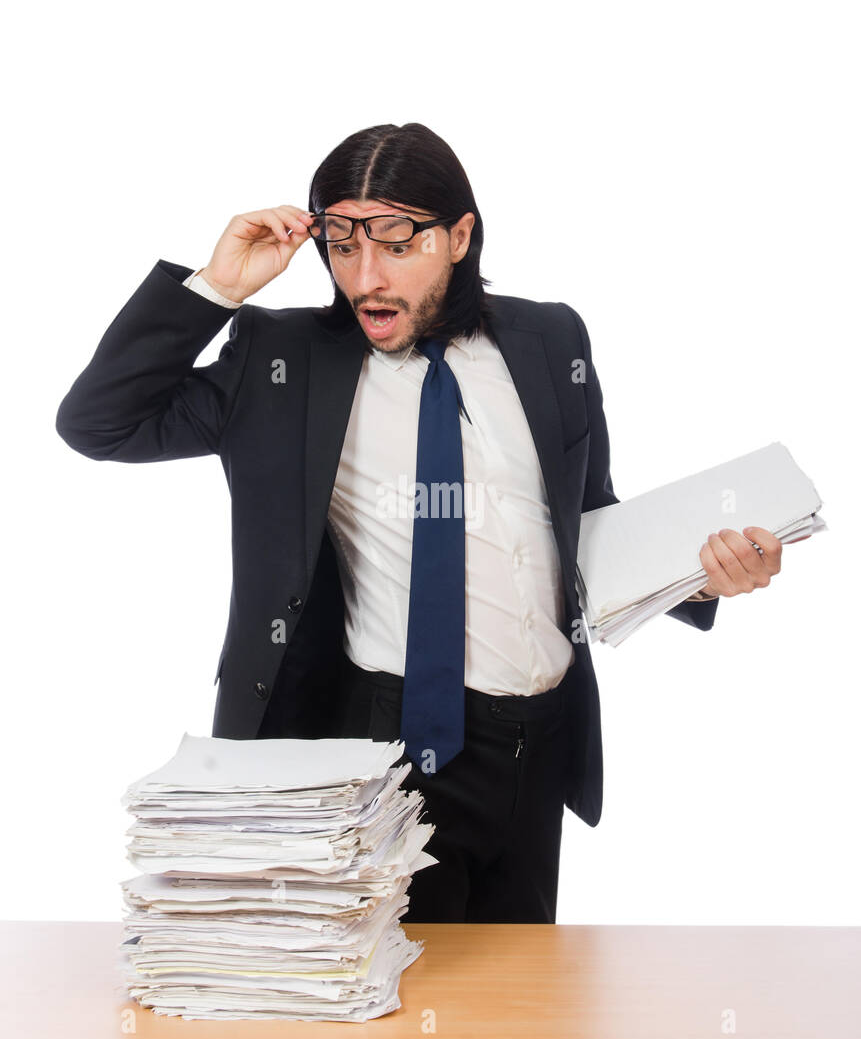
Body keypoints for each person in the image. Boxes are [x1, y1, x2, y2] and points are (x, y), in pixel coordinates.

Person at [55, 121, 783, 923]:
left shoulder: (549, 338)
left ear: (459, 235)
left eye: (397, 244)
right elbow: (101, 424)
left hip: (536, 744)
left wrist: (698, 575)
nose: (364, 278)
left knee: (519, 1007)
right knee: (396, 1009)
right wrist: (216, 288)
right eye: (339, 245)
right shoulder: (283, 361)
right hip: (381, 749)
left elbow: (584, 521)